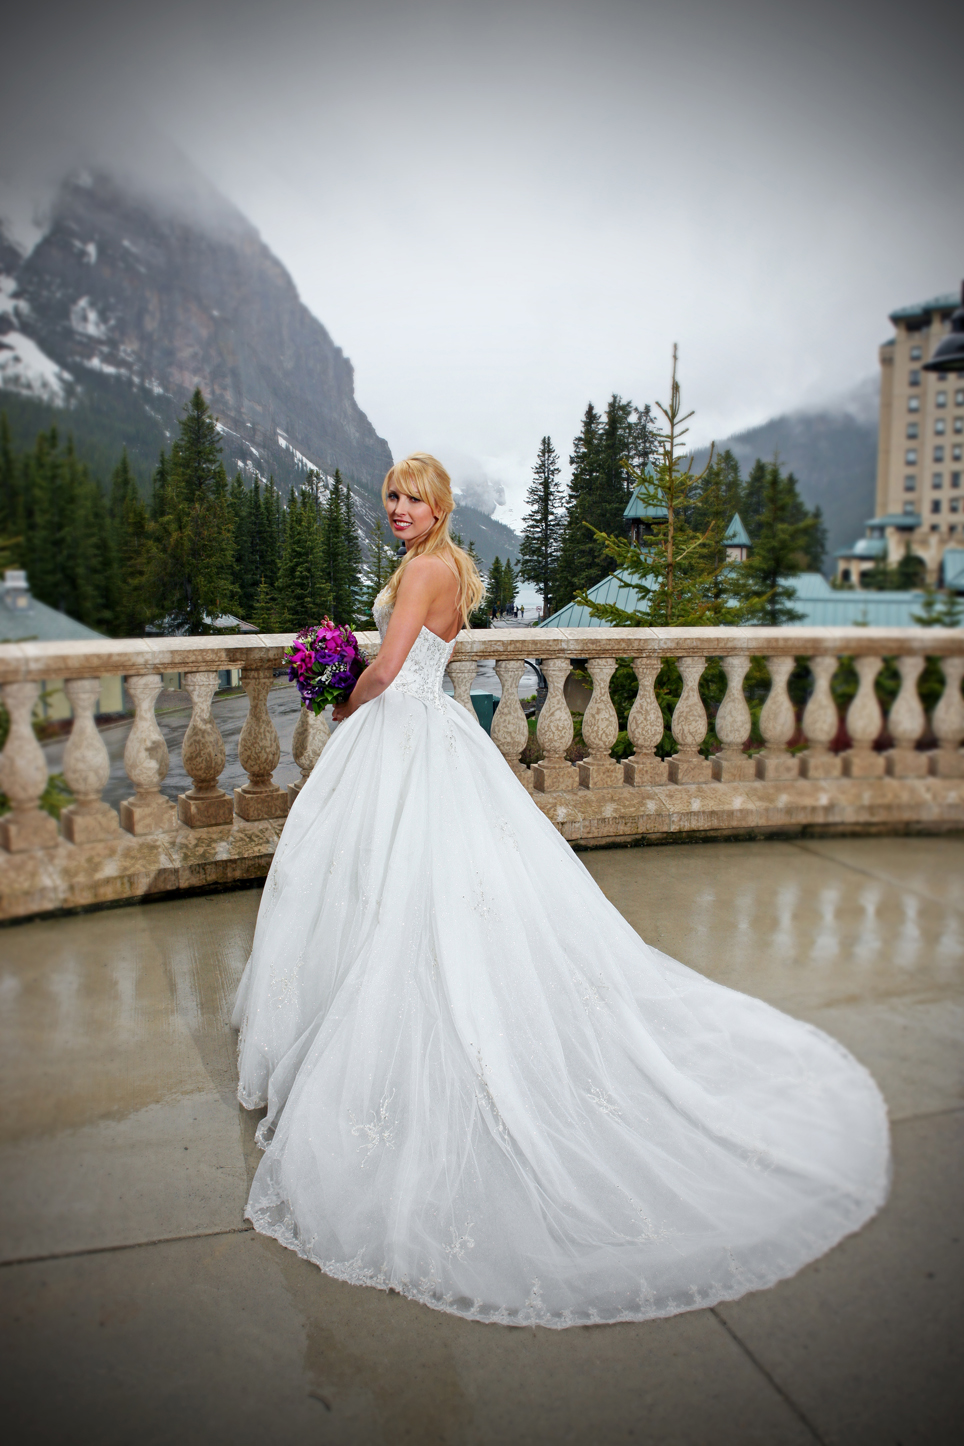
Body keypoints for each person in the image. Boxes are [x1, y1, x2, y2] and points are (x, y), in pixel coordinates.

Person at [233, 452, 889, 1330]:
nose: (398, 508)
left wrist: (339, 697)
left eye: (413, 497)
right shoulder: (447, 570)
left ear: (439, 508)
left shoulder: (424, 569)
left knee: (391, 890)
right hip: (432, 740)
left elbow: (390, 669)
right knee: (410, 889)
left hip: (399, 734)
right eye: (391, 494)